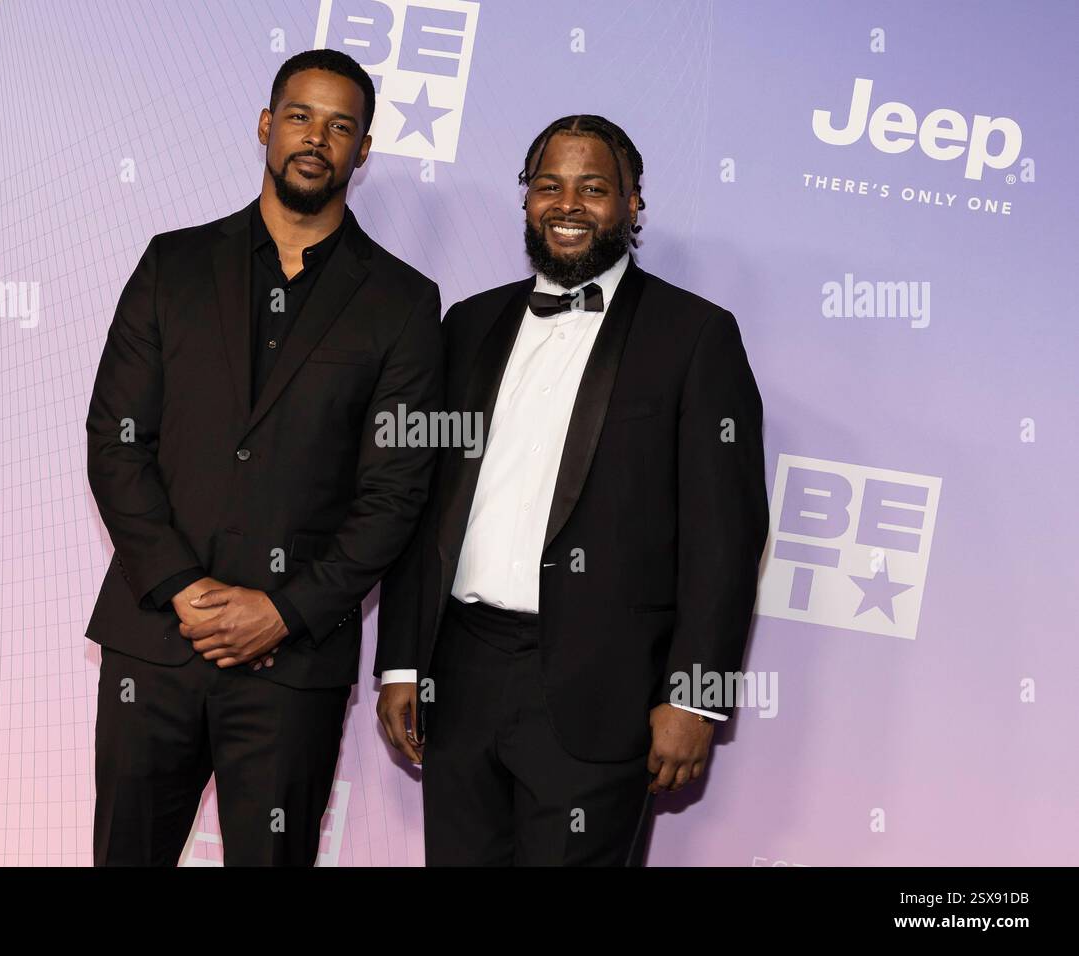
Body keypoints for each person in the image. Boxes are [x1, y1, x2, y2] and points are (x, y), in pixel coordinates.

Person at [375, 115, 768, 865]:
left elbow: (727, 536)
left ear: (632, 203)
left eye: (594, 188)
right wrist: (401, 663)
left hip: (603, 690)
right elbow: (420, 504)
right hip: (459, 677)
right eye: (549, 185)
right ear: (525, 199)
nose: (568, 204)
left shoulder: (694, 336)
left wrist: (695, 699)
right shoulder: (469, 323)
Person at [86, 49, 442, 866]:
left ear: (363, 149)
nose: (316, 138)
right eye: (300, 116)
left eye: (340, 125)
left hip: (293, 665)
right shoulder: (171, 264)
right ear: (264, 126)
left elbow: (394, 494)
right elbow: (115, 440)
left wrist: (281, 611)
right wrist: (184, 587)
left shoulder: (402, 303)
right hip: (154, 644)